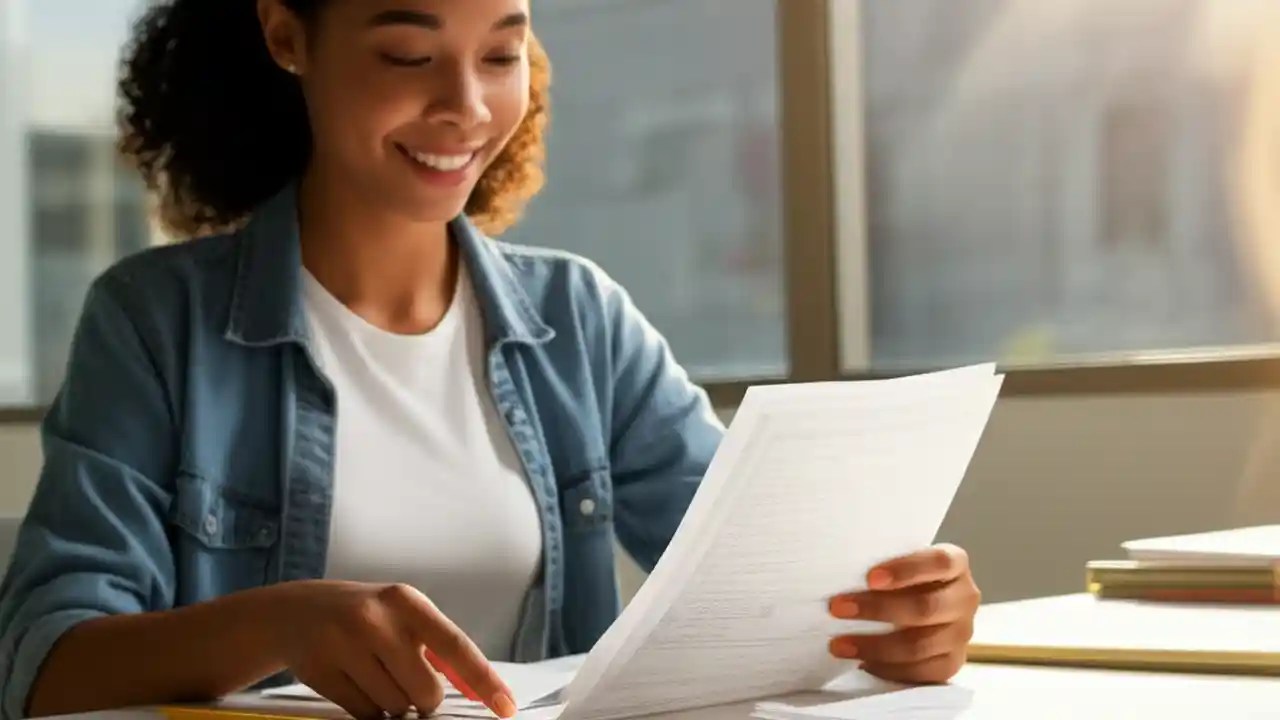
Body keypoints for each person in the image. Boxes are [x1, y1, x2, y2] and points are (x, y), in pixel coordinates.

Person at [0, 1, 982, 719]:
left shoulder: (578, 318)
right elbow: (44, 665)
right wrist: (279, 625)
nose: (465, 107)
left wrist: (898, 617)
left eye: (501, 53)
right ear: (285, 36)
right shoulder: (152, 323)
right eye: (406, 53)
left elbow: (760, 582)